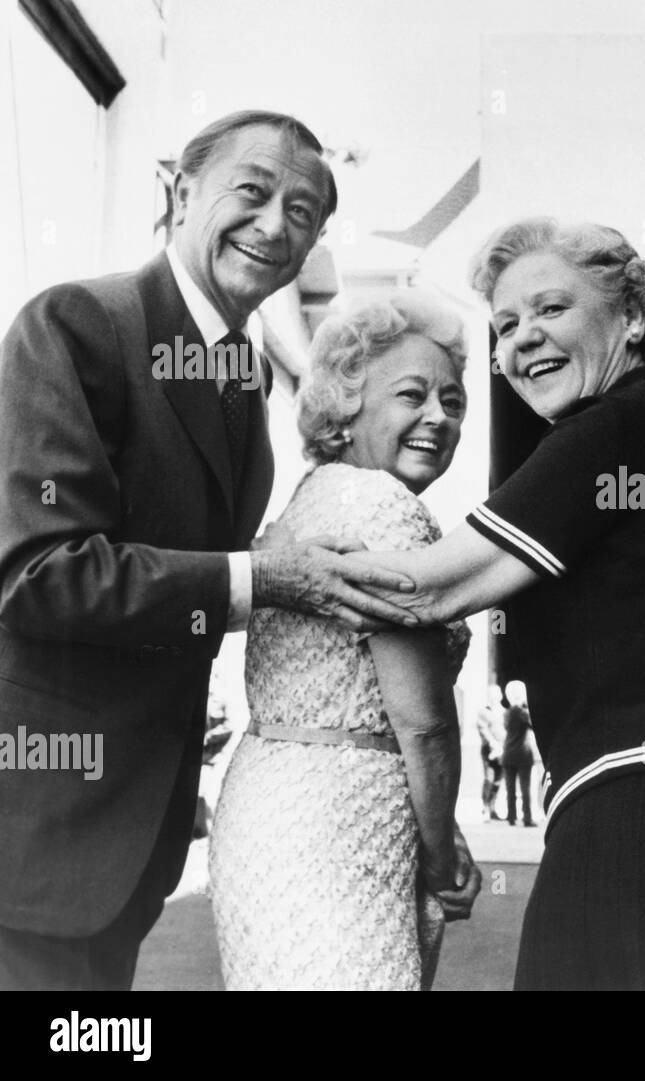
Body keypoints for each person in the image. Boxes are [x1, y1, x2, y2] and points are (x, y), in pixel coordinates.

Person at [354, 218, 645, 990]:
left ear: (632, 318)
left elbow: (428, 590)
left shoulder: (614, 424)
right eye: (506, 324)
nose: (524, 339)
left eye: (551, 308)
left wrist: (276, 570)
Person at [0, 110, 416, 991]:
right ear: (183, 192)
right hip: (32, 839)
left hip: (128, 845)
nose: (275, 225)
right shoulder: (77, 324)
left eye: (303, 213)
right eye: (254, 191)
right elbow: (38, 576)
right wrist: (265, 578)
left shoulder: (244, 374)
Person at [209, 294, 480, 990]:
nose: (438, 417)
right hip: (338, 825)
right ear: (345, 406)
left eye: (453, 401)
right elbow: (422, 723)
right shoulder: (386, 507)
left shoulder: (309, 496)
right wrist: (444, 853)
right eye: (411, 395)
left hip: (267, 810)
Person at [500, 679, 538, 827]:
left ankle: (511, 817)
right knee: (525, 788)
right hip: (523, 753)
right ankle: (527, 818)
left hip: (508, 752)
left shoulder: (506, 713)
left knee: (510, 788)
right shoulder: (524, 713)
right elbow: (532, 725)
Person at [477, 684, 506, 821]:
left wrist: (504, 745)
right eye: (491, 694)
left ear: (500, 695)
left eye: (496, 694)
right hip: (489, 751)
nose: (494, 697)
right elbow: (483, 729)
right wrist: (493, 743)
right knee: (489, 778)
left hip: (503, 750)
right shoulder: (483, 712)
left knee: (498, 780)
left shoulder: (505, 712)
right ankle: (485, 809)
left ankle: (493, 808)